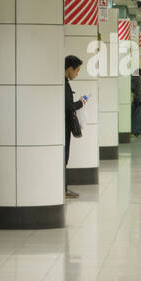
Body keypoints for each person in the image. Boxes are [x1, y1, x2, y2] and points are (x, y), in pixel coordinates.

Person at [64, 55, 86, 198]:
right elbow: (68, 106)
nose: (77, 73)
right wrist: (80, 103)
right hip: (64, 126)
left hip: (64, 125)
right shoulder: (63, 84)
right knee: (63, 157)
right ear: (70, 68)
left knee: (65, 157)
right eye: (77, 70)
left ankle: (64, 188)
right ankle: (63, 189)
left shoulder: (64, 83)